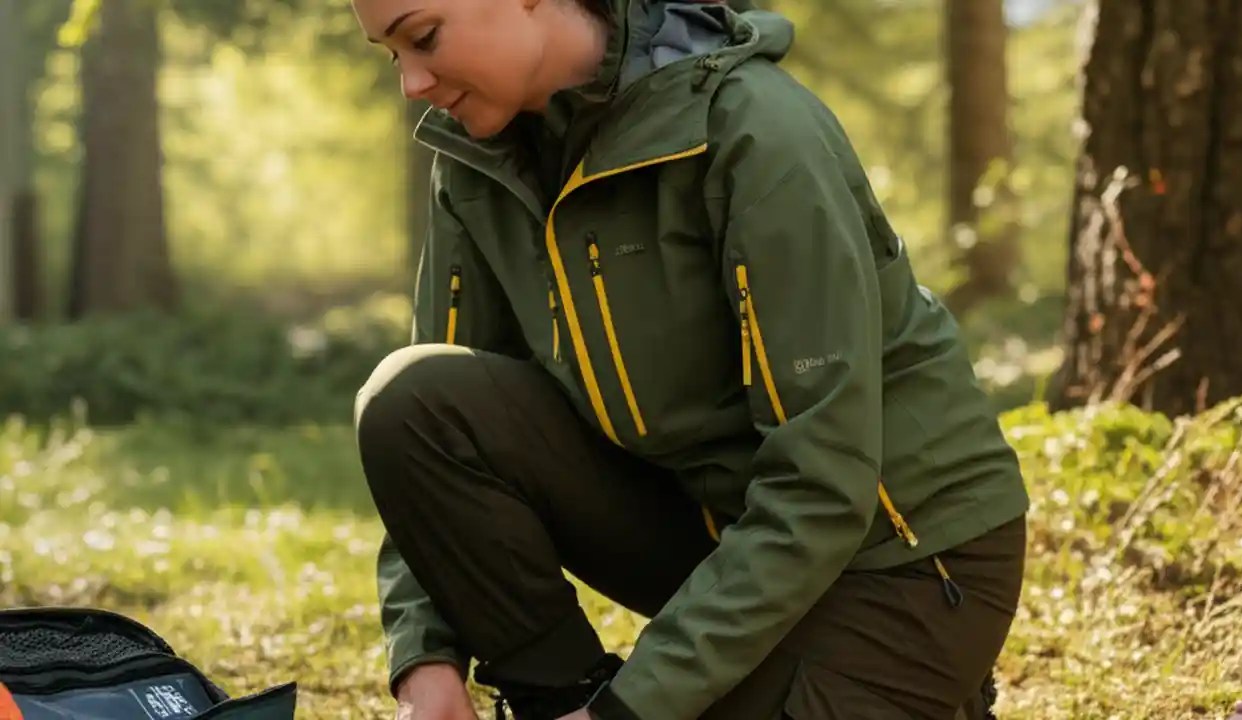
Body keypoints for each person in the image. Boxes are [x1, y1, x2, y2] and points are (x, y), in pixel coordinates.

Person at [350, 0, 1030, 718]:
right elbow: (444, 425)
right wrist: (425, 661)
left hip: (904, 556)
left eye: (424, 38)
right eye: (392, 54)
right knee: (412, 400)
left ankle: (917, 681)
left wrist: (631, 709)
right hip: (718, 528)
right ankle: (557, 699)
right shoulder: (479, 159)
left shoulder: (757, 132)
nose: (412, 84)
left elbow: (821, 486)